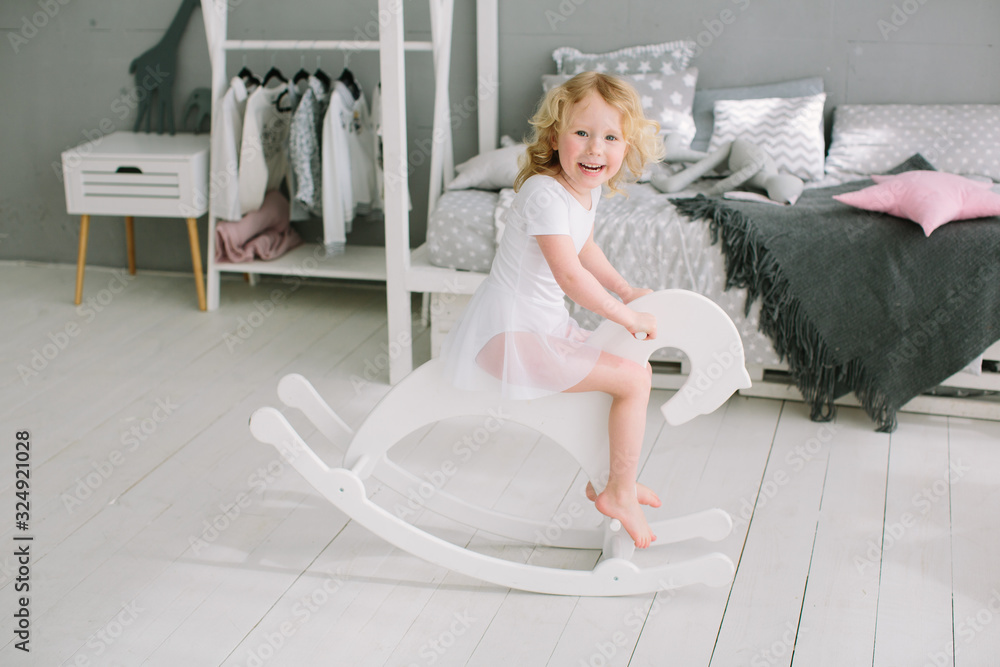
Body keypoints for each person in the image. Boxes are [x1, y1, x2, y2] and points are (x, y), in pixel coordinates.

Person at [441, 71, 665, 548]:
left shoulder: (585, 190)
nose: (594, 150)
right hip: (510, 336)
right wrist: (625, 317)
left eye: (609, 137)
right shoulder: (544, 192)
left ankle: (607, 480)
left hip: (538, 329)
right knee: (633, 378)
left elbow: (586, 249)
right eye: (581, 133)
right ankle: (619, 491)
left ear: (626, 147)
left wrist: (626, 290)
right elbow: (569, 274)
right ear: (554, 136)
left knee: (621, 373)